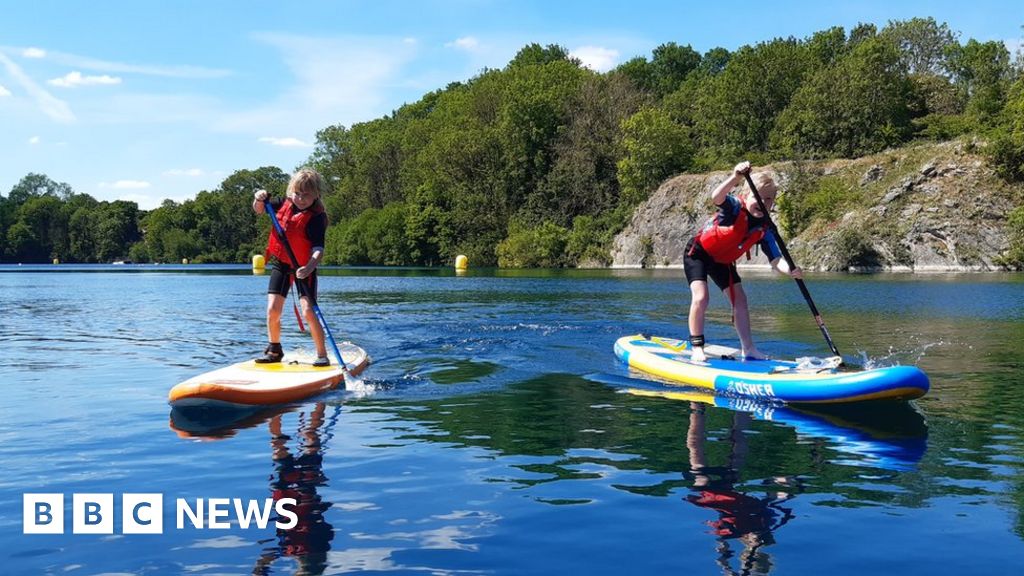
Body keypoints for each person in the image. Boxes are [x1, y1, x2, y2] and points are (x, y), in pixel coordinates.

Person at [683, 161, 802, 363]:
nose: (763, 203)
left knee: (741, 301)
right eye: (758, 197)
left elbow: (775, 259)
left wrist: (790, 270)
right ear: (746, 196)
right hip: (699, 254)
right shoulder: (734, 208)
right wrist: (736, 177)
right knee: (701, 297)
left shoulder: (766, 228)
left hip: (723, 261)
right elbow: (716, 197)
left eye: (769, 199)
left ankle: (749, 349)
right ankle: (697, 347)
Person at [253, 168, 330, 366]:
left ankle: (322, 355)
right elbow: (259, 209)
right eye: (297, 193)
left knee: (308, 312)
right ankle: (275, 350)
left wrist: (310, 267)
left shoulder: (316, 218)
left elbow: (318, 250)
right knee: (272, 310)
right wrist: (259, 198)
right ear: (291, 191)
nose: (301, 198)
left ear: (316, 195)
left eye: (307, 195)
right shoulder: (281, 204)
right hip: (282, 263)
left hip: (304, 267)